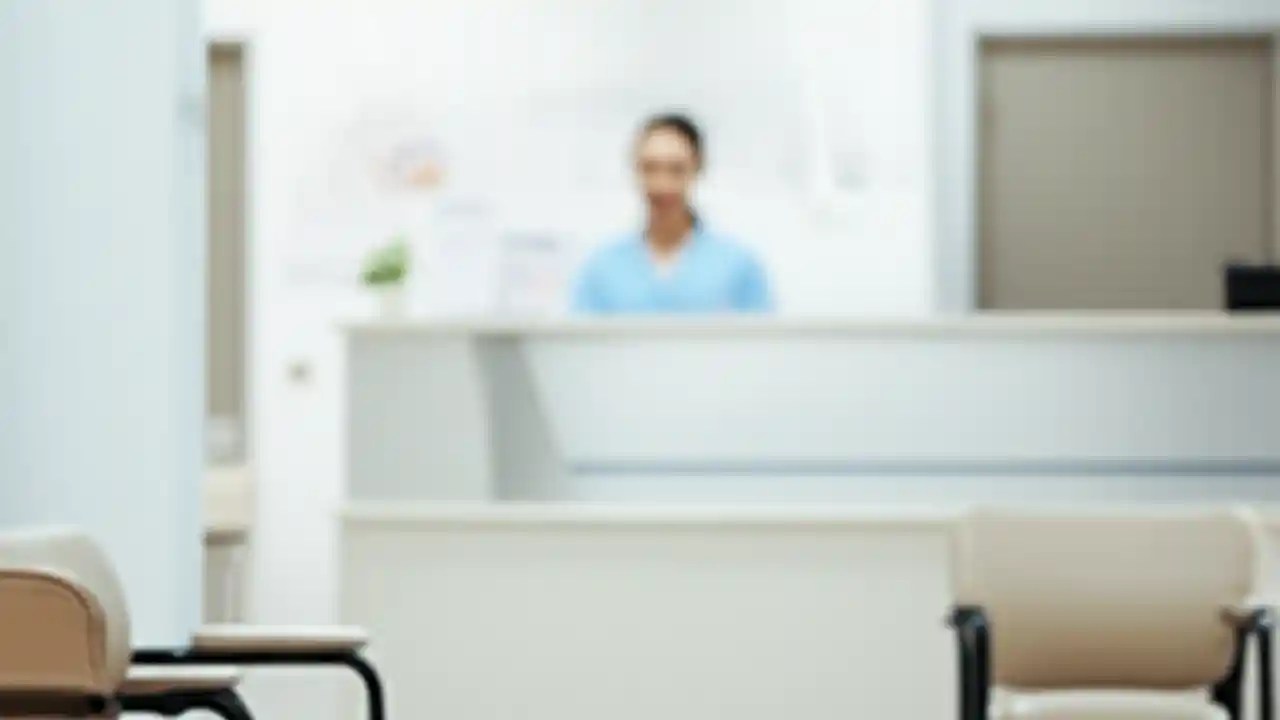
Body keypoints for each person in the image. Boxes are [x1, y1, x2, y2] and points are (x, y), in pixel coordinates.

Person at [572, 113, 772, 314]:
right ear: (635, 170)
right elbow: (580, 342)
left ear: (697, 169)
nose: (662, 184)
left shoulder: (739, 265)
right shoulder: (601, 268)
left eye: (676, 169)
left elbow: (763, 341)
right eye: (650, 168)